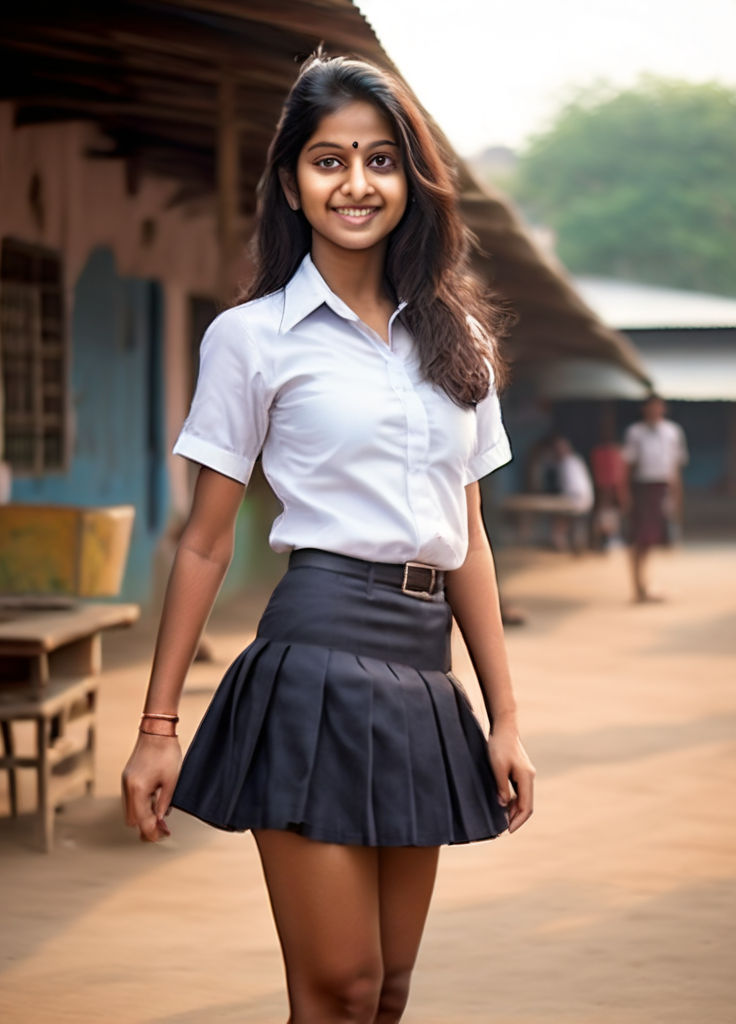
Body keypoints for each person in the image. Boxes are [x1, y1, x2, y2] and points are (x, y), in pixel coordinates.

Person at [121, 54, 535, 1024]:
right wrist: (156, 728)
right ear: (291, 184)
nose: (355, 183)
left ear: (411, 181)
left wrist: (504, 716)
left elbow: (467, 540)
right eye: (329, 159)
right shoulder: (252, 338)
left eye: (380, 159)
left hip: (424, 683)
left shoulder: (459, 345)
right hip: (312, 666)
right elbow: (205, 543)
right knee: (338, 986)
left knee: (388, 990)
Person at [621, 394, 688, 603]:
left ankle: (644, 585)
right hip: (642, 489)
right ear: (644, 409)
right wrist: (626, 495)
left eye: (658, 406)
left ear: (663, 408)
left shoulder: (672, 432)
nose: (654, 410)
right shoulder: (635, 433)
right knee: (639, 539)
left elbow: (675, 467)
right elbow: (627, 467)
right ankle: (638, 586)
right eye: (651, 406)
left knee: (651, 540)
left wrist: (677, 496)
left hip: (662, 488)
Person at [547, 436, 594, 552]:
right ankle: (569, 544)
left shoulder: (565, 463)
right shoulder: (576, 460)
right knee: (564, 517)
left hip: (576, 499)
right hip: (585, 499)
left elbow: (566, 489)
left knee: (558, 517)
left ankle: (560, 547)